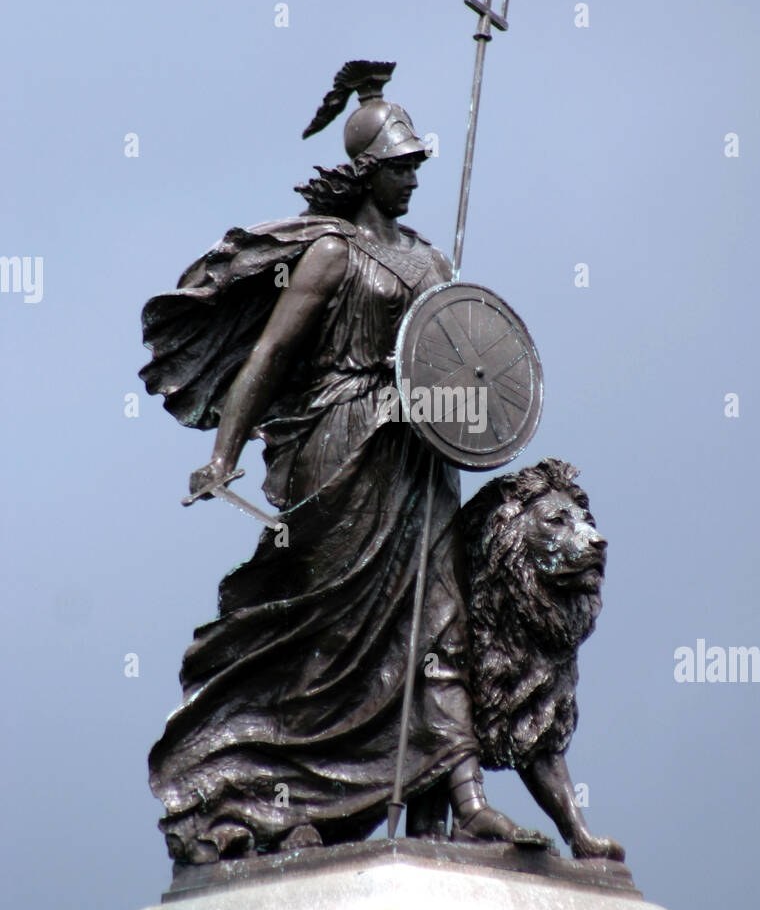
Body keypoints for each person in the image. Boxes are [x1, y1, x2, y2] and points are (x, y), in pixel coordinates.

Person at [141, 61, 539, 862]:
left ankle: (462, 793)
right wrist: (223, 454)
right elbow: (272, 352)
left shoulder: (431, 264)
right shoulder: (328, 253)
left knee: (440, 607)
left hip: (419, 449)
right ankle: (285, 794)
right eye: (400, 168)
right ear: (366, 172)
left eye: (418, 166)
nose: (413, 181)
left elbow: (461, 348)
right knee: (329, 625)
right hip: (340, 445)